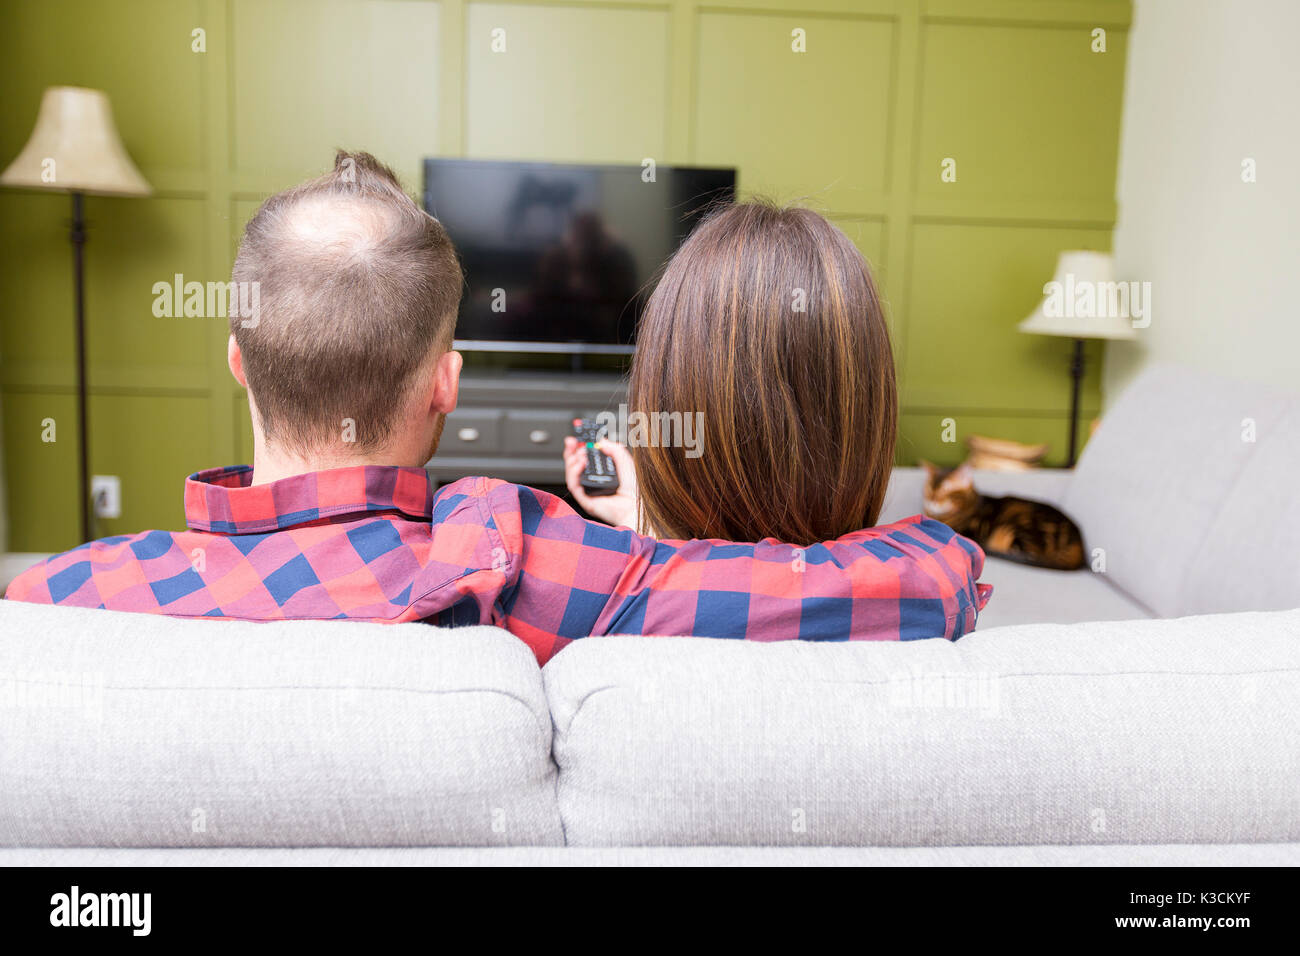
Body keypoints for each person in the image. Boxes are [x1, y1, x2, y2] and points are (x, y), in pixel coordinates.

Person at [7, 153, 989, 665]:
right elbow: (911, 579)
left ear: (237, 361)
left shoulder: (61, 598)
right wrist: (645, 528)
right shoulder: (516, 562)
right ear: (446, 383)